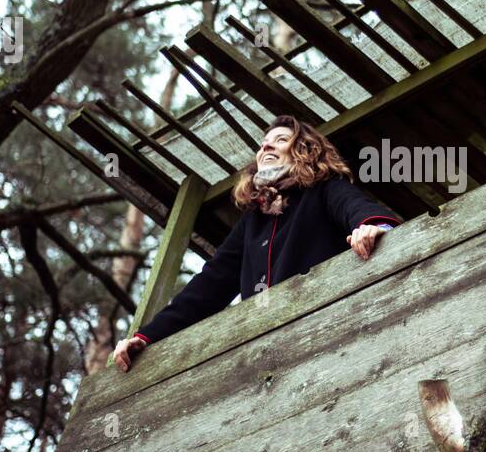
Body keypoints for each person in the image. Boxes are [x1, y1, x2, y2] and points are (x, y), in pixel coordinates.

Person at [112, 114, 401, 372]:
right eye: (263, 144)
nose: (267, 147)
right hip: (264, 357)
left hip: (328, 331)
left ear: (305, 151)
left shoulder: (324, 190)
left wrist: (371, 227)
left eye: (281, 140)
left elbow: (357, 209)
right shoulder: (252, 221)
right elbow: (208, 286)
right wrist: (146, 336)